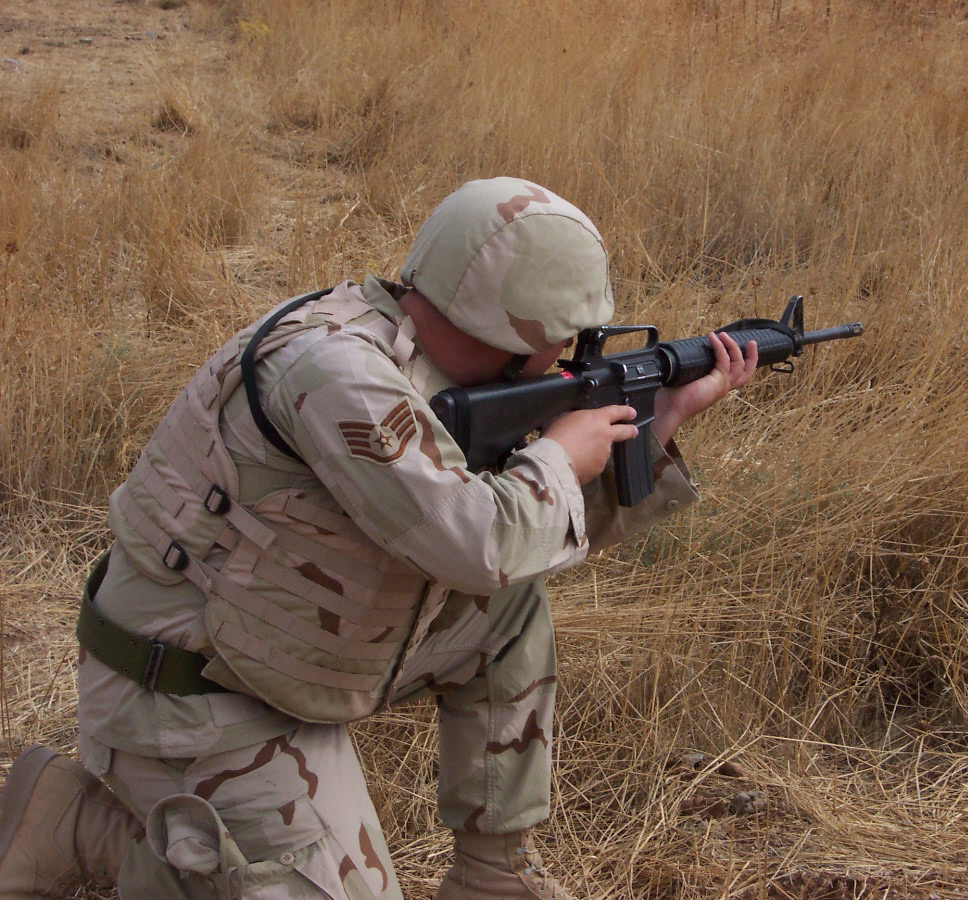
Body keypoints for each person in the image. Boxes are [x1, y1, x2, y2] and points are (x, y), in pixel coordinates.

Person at [0, 177, 758, 900]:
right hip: (188, 691)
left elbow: (512, 552)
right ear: (516, 332)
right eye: (567, 338)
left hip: (283, 646)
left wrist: (659, 423)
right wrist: (558, 457)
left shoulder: (420, 358)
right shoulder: (338, 369)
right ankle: (78, 827)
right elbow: (480, 541)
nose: (569, 355)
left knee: (507, 613)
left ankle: (494, 873)